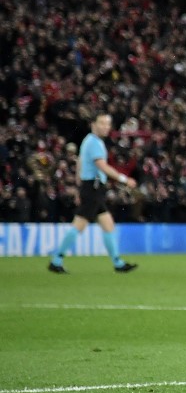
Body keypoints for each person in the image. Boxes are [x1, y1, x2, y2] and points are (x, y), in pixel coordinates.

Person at [48, 114, 138, 274]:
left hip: (91, 188)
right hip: (93, 188)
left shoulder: (89, 141)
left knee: (108, 225)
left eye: (108, 124)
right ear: (93, 124)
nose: (105, 127)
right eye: (102, 123)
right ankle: (57, 259)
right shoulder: (95, 143)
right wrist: (124, 179)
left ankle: (118, 263)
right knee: (79, 225)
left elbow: (80, 162)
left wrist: (79, 186)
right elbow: (102, 166)